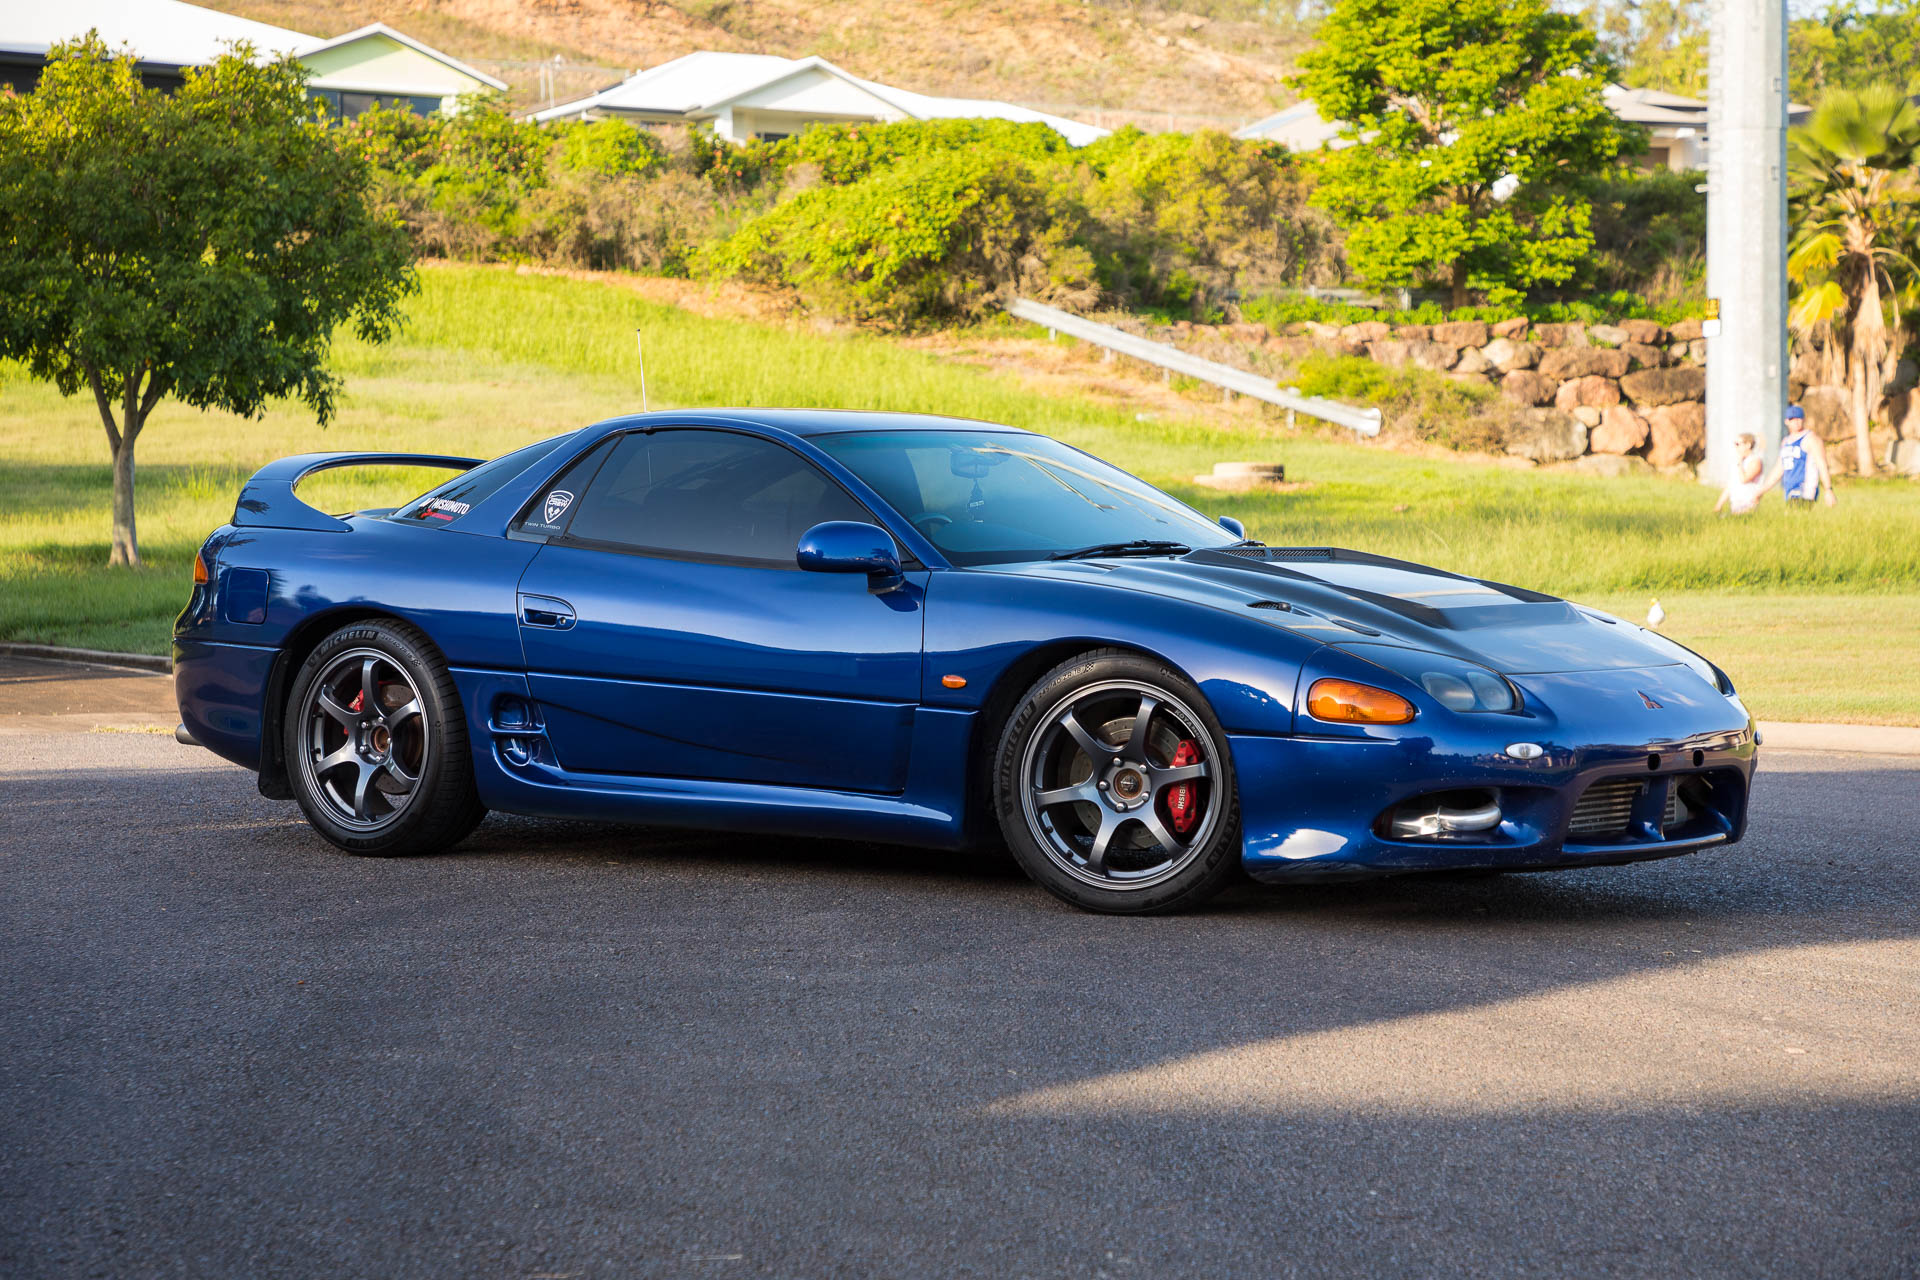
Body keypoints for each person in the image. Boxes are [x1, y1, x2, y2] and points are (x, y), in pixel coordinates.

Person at [1760, 405, 1836, 508]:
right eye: (1792, 419)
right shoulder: (1786, 442)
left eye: (1798, 418)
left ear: (1803, 419)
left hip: (1806, 490)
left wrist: (1828, 489)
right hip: (1789, 490)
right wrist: (1760, 492)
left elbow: (1821, 464)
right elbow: (1779, 470)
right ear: (1786, 421)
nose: (1795, 422)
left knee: (1800, 514)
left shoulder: (1811, 439)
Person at [1712, 432, 1766, 515]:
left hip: (1748, 505)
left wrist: (1740, 463)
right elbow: (1731, 485)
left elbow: (1744, 479)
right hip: (1736, 505)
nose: (1735, 447)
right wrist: (1719, 505)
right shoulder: (1738, 462)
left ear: (1748, 445)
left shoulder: (1755, 461)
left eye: (1738, 444)